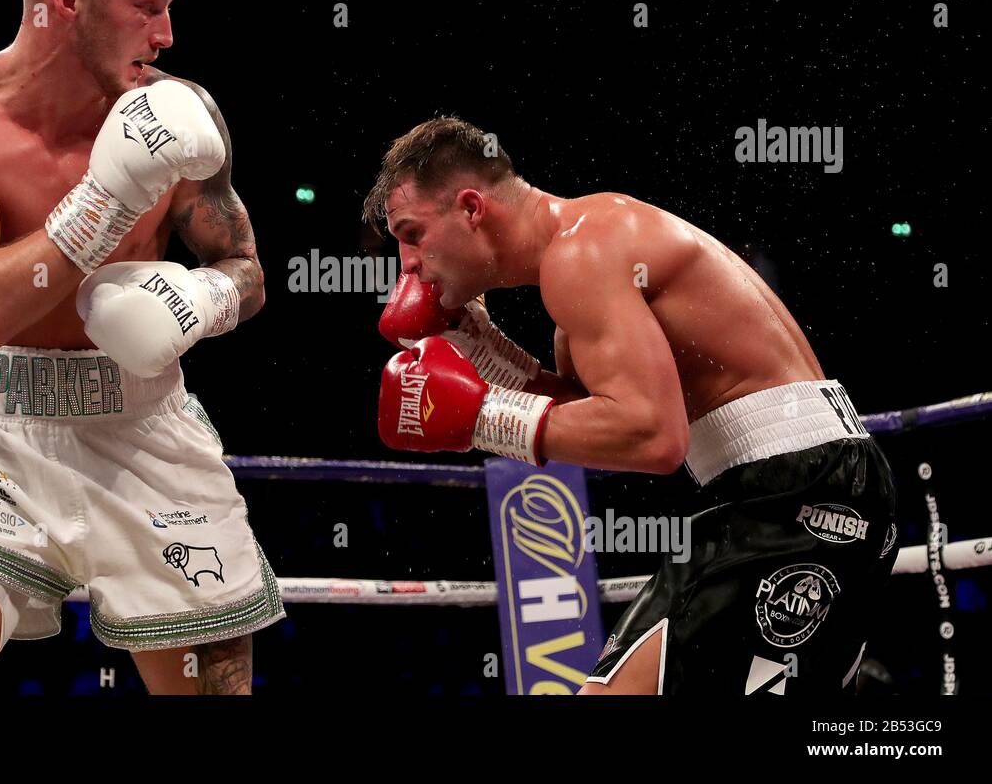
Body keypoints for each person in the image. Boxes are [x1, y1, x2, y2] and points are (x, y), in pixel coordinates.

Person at [0, 0, 282, 695]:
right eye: (147, 8)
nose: (165, 35)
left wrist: (200, 299)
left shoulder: (179, 113)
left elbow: (247, 266)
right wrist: (108, 196)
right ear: (66, 1)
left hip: (145, 431)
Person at [370, 116, 897, 695]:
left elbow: (653, 438)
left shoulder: (581, 253)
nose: (407, 264)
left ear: (471, 208)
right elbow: (600, 420)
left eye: (411, 232)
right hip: (801, 485)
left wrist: (479, 417)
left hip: (795, 494)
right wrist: (486, 357)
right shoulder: (579, 263)